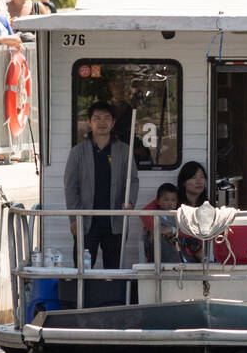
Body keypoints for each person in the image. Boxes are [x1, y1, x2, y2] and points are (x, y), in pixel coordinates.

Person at [64, 101, 140, 277]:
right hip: (86, 222)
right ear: (90, 122)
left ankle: (113, 302)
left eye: (107, 118)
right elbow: (70, 187)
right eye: (97, 118)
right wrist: (74, 217)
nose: (102, 122)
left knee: (114, 271)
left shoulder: (124, 151)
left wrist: (129, 202)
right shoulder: (78, 152)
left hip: (115, 221)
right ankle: (84, 303)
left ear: (113, 123)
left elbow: (133, 181)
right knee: (83, 270)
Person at [174, 161, 209, 260]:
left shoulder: (207, 205)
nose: (199, 182)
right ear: (184, 182)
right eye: (194, 178)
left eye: (202, 177)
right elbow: (146, 212)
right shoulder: (172, 199)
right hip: (179, 253)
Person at [142, 183, 181, 263]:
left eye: (173, 200)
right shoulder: (154, 214)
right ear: (158, 201)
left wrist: (171, 229)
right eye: (166, 200)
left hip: (175, 242)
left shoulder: (178, 215)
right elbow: (152, 231)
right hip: (159, 244)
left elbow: (182, 229)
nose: (170, 203)